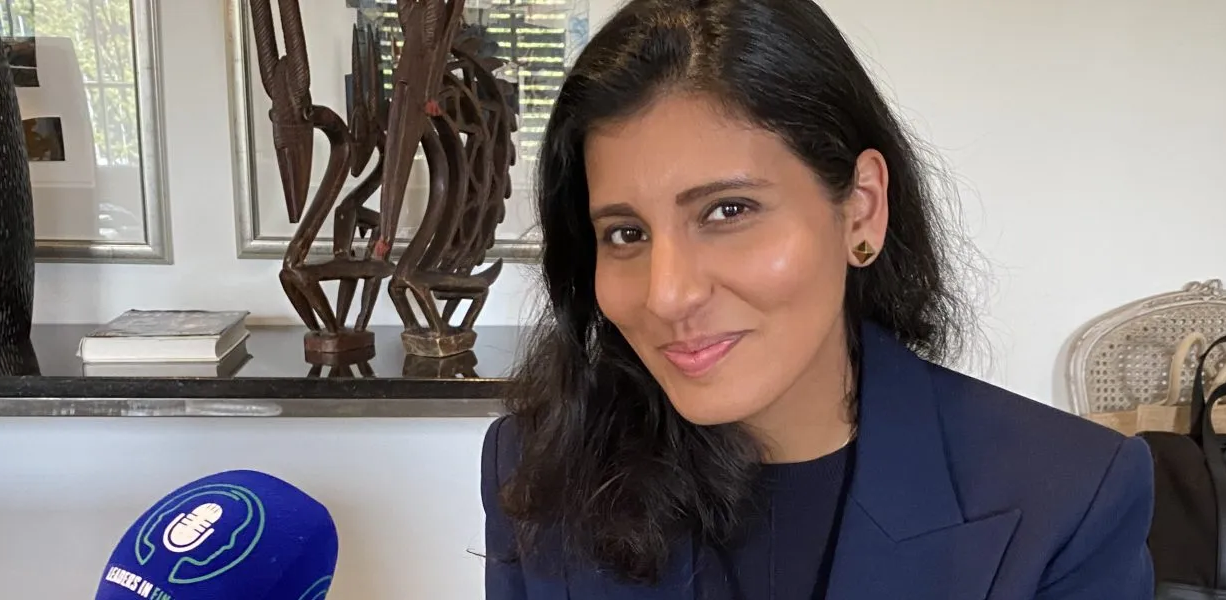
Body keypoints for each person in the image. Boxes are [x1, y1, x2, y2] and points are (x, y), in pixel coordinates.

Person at [480, 0, 1155, 598]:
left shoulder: (1068, 498)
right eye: (626, 233)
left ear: (861, 210)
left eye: (728, 210)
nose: (668, 295)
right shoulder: (538, 471)